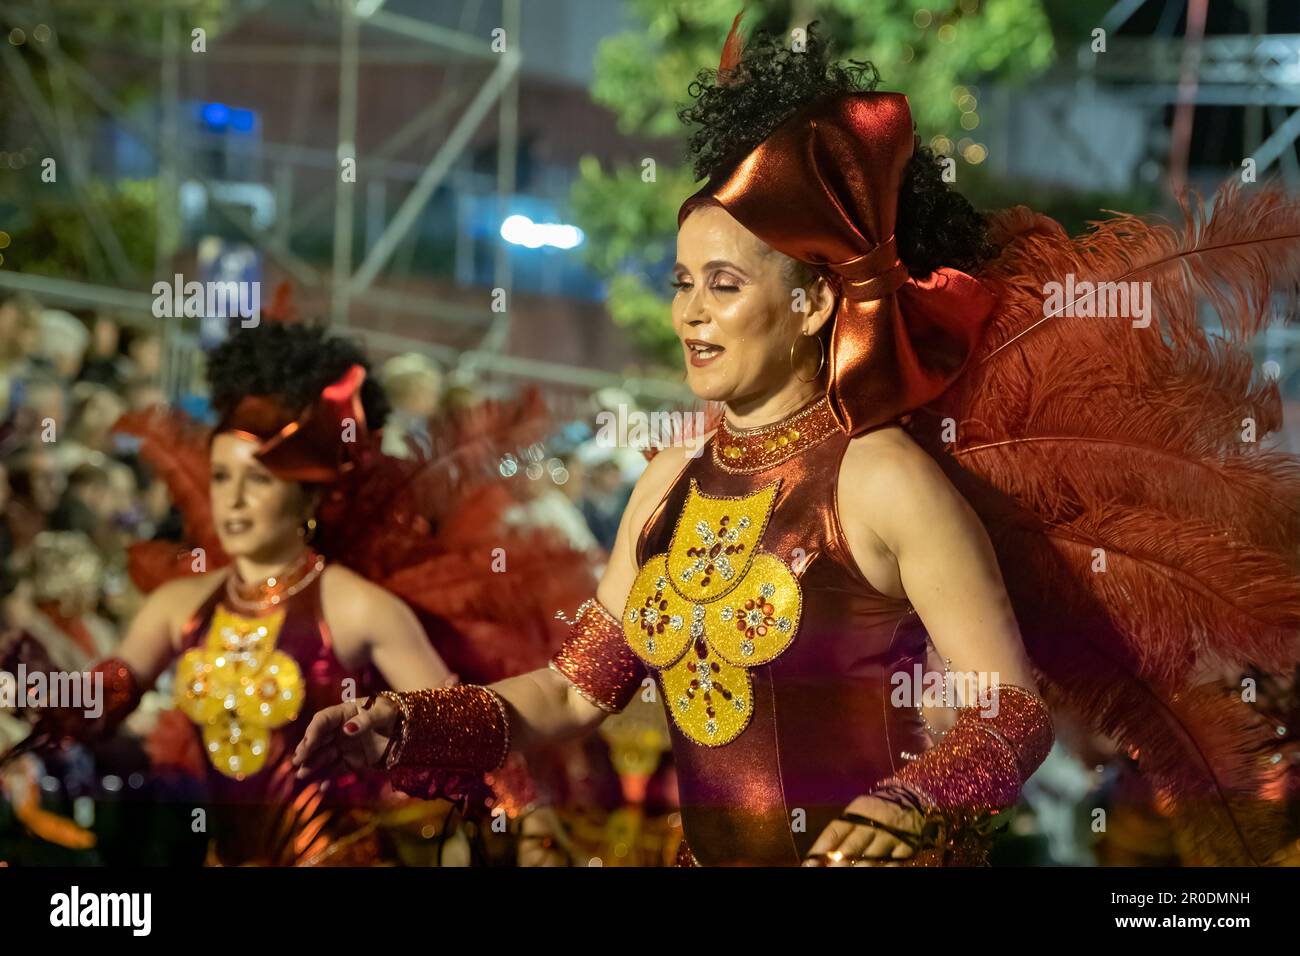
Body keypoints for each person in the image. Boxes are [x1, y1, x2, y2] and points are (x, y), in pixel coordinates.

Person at [296, 20, 1300, 867]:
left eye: (724, 285)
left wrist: (905, 804)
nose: (691, 311)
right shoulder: (661, 487)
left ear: (814, 301)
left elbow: (1010, 709)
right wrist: (413, 719)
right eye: (682, 280)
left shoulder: (879, 478)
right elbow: (570, 689)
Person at [23, 322, 454, 865]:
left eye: (260, 480)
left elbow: (461, 731)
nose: (234, 501)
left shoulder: (356, 607)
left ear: (308, 498)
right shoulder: (180, 606)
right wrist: (35, 694)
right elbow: (103, 698)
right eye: (223, 477)